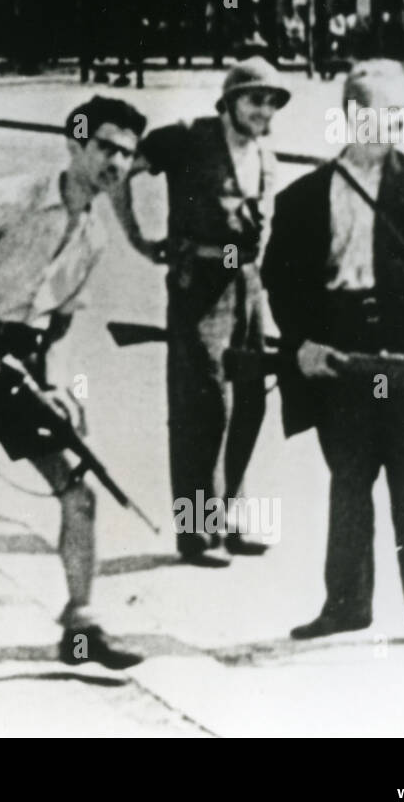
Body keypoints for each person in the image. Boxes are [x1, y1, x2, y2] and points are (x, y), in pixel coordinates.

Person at [0, 95, 147, 687]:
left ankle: (80, 628)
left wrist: (58, 385)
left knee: (79, 492)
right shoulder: (16, 198)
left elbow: (60, 320)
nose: (115, 162)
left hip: (24, 361)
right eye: (105, 147)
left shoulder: (95, 234)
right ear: (76, 144)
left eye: (126, 153)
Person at [262, 60, 404, 652]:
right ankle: (347, 605)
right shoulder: (304, 197)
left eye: (401, 115)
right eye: (386, 114)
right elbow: (280, 280)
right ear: (353, 116)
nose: (397, 125)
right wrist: (300, 343)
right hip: (342, 357)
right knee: (350, 480)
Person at [111, 57, 288, 567]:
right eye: (254, 98)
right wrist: (136, 237)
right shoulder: (188, 137)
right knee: (202, 406)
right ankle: (195, 532)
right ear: (229, 101)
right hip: (198, 287)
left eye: (272, 100)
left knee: (249, 399)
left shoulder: (266, 156)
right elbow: (124, 169)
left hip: (247, 285)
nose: (263, 109)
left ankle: (228, 518)